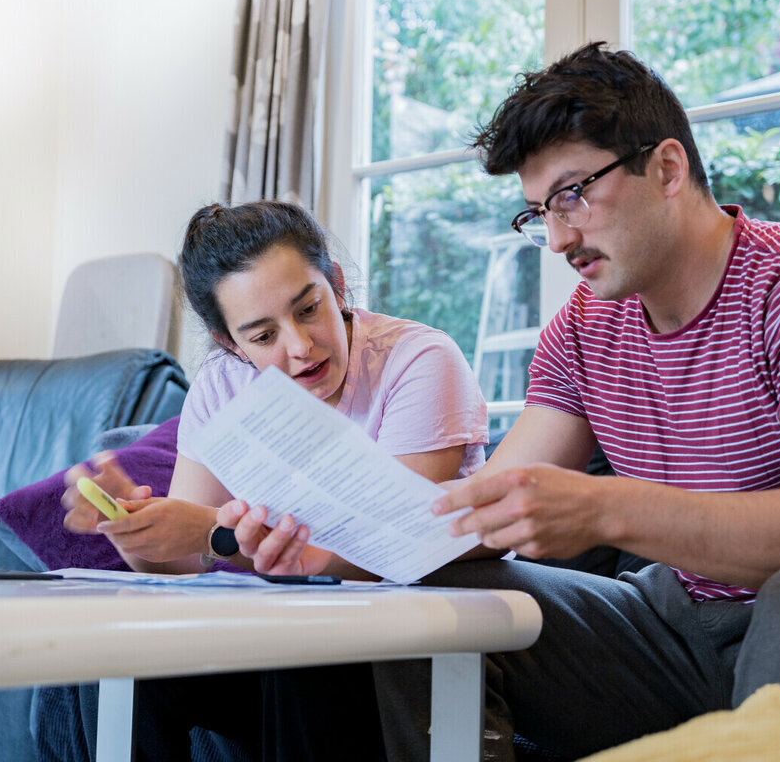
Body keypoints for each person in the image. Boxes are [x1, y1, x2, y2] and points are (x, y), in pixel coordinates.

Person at [220, 42, 780, 760]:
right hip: (685, 626)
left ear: (667, 167)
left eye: (574, 194)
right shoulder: (584, 327)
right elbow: (481, 513)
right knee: (435, 587)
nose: (559, 236)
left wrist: (605, 507)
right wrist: (329, 550)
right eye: (539, 211)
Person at [56, 199, 489, 760]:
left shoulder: (418, 360)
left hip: (400, 627)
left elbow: (394, 548)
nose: (300, 346)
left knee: (304, 649)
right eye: (262, 337)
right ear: (228, 342)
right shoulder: (221, 383)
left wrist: (216, 533)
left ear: (335, 284)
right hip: (285, 630)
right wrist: (131, 529)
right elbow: (186, 561)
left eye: (309, 308)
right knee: (110, 652)